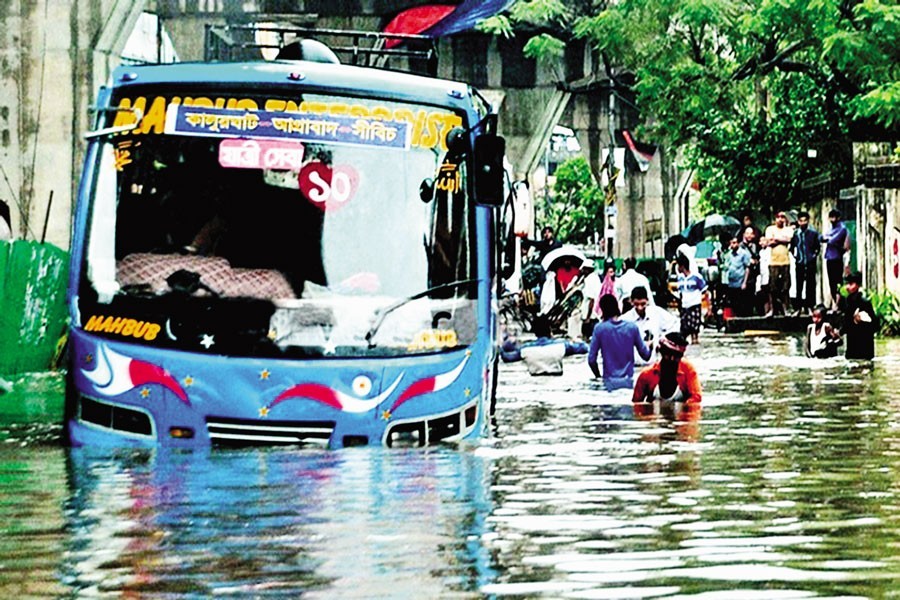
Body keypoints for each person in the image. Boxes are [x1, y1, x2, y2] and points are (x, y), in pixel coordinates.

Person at [588, 293, 652, 391]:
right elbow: (646, 356)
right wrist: (650, 345)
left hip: (608, 383)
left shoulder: (599, 329)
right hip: (628, 383)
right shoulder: (632, 328)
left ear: (602, 310)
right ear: (617, 307)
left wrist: (598, 377)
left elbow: (592, 360)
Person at [632, 332, 702, 420]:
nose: (672, 359)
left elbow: (696, 398)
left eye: (676, 356)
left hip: (680, 420)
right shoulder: (646, 375)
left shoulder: (688, 371)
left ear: (681, 357)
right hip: (654, 420)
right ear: (662, 353)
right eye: (668, 354)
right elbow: (636, 404)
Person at [501, 316, 588, 375]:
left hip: (534, 382)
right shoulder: (561, 346)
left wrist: (503, 345)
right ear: (550, 331)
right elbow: (584, 348)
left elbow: (507, 357)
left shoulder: (525, 349)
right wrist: (577, 340)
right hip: (557, 380)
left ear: (535, 333)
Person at [621, 286, 679, 366]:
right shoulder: (625, 319)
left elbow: (674, 324)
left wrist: (663, 339)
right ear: (631, 302)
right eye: (636, 304)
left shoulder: (656, 312)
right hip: (632, 365)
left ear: (647, 301)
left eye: (643, 304)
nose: (640, 308)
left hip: (652, 364)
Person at [838, 273, 878, 360]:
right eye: (847, 284)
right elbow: (845, 324)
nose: (848, 287)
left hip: (864, 347)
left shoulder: (865, 303)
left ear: (857, 285)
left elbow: (875, 325)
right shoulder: (845, 302)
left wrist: (861, 321)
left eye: (851, 284)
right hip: (852, 348)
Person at [764, 211, 794, 317]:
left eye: (782, 217)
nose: (780, 219)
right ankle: (772, 309)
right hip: (773, 262)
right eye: (778, 217)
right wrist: (780, 239)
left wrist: (776, 239)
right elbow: (769, 242)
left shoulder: (788, 229)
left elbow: (789, 239)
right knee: (772, 287)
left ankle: (786, 308)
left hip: (785, 261)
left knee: (785, 286)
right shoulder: (770, 229)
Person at [790, 211, 820, 315]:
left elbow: (817, 248)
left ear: (808, 221)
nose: (803, 222)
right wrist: (796, 256)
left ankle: (810, 307)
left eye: (805, 220)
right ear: (798, 221)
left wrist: (813, 256)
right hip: (800, 262)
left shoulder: (813, 233)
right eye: (801, 220)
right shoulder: (796, 234)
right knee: (799, 285)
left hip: (810, 262)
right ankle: (798, 308)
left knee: (811, 285)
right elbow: (792, 247)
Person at [820, 209, 850, 310]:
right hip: (829, 257)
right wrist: (826, 238)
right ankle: (834, 302)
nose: (832, 219)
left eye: (834, 217)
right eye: (830, 217)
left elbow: (832, 240)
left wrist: (827, 238)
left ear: (838, 218)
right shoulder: (831, 229)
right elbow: (821, 237)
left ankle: (838, 303)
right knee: (831, 282)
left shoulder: (842, 228)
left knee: (838, 281)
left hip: (837, 257)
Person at [675, 252, 707, 345]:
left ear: (682, 266)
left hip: (694, 304)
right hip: (684, 306)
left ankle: (695, 342)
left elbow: (705, 291)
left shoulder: (696, 277)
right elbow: (680, 293)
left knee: (694, 329)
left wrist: (708, 308)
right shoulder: (680, 278)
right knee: (684, 328)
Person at [722, 236, 751, 316]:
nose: (732, 245)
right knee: (732, 303)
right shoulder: (729, 254)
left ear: (738, 243)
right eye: (731, 243)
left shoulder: (743, 253)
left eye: (734, 243)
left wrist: (744, 282)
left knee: (741, 304)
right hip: (731, 282)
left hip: (740, 282)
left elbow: (747, 268)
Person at [740, 226, 760, 314]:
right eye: (747, 233)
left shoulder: (755, 246)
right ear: (744, 234)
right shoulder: (740, 246)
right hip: (742, 273)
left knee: (751, 293)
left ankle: (750, 311)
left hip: (752, 274)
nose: (749, 235)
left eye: (751, 233)